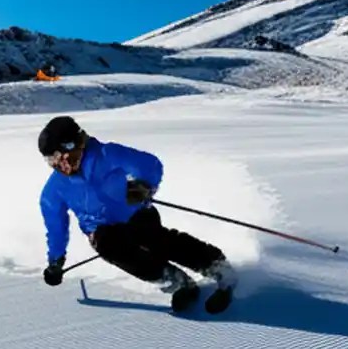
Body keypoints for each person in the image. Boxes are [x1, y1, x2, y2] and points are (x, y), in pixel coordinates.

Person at [37, 115, 236, 312]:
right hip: (103, 232)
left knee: (153, 239)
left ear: (76, 146)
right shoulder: (55, 188)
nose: (60, 166)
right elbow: (56, 227)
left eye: (61, 158)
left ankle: (217, 267)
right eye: (52, 161)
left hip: (136, 214)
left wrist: (142, 188)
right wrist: (55, 261)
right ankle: (178, 283)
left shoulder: (107, 155)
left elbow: (150, 165)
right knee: (108, 245)